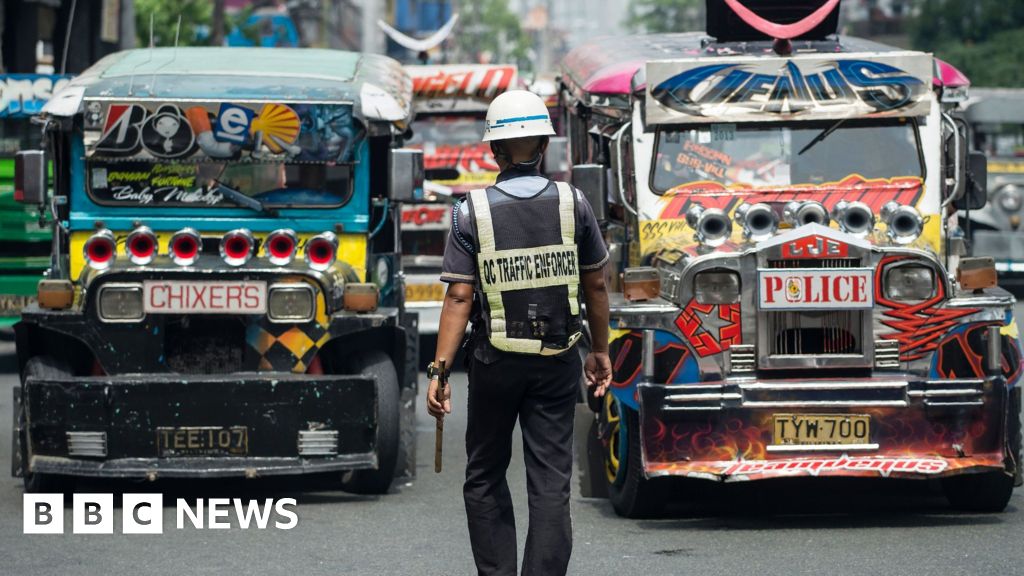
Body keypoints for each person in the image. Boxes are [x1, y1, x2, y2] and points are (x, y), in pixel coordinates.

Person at [425, 89, 613, 576]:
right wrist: (601, 352)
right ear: (544, 147)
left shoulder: (472, 212)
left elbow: (460, 298)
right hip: (557, 362)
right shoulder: (575, 204)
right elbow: (595, 283)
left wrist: (440, 370)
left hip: (493, 363)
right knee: (551, 482)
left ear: (495, 151)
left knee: (485, 474)